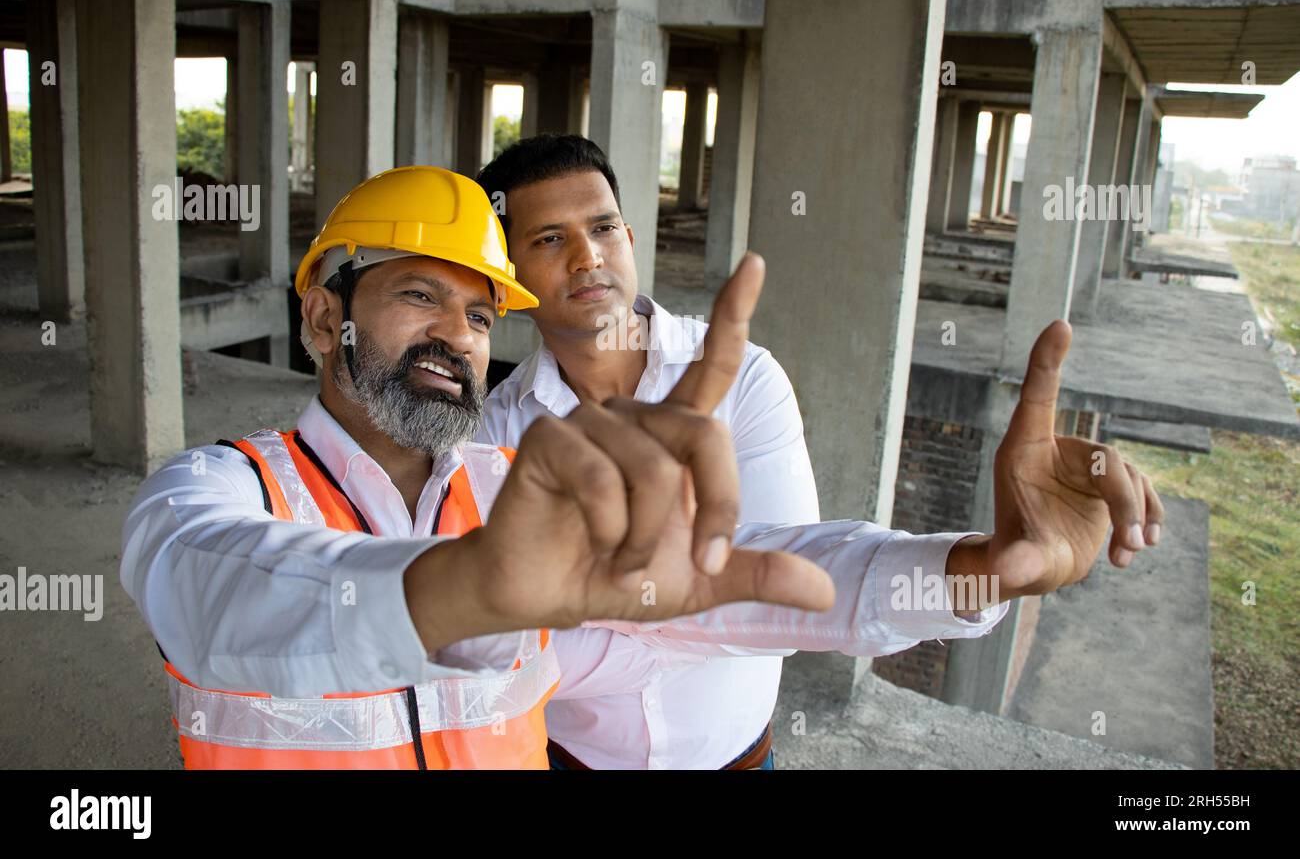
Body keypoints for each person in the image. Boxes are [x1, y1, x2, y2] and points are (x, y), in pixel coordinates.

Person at [122, 165, 1162, 770]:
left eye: (480, 316)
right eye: (418, 298)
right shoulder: (218, 488)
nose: (457, 336)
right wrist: (463, 585)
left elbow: (767, 576)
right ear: (321, 316)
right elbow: (203, 587)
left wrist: (983, 564)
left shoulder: (511, 484)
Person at [474, 135, 1165, 770]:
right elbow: (514, 650)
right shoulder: (493, 437)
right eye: (549, 238)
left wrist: (983, 571)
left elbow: (789, 597)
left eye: (602, 228)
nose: (588, 256)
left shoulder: (742, 376)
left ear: (628, 234)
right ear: (509, 276)